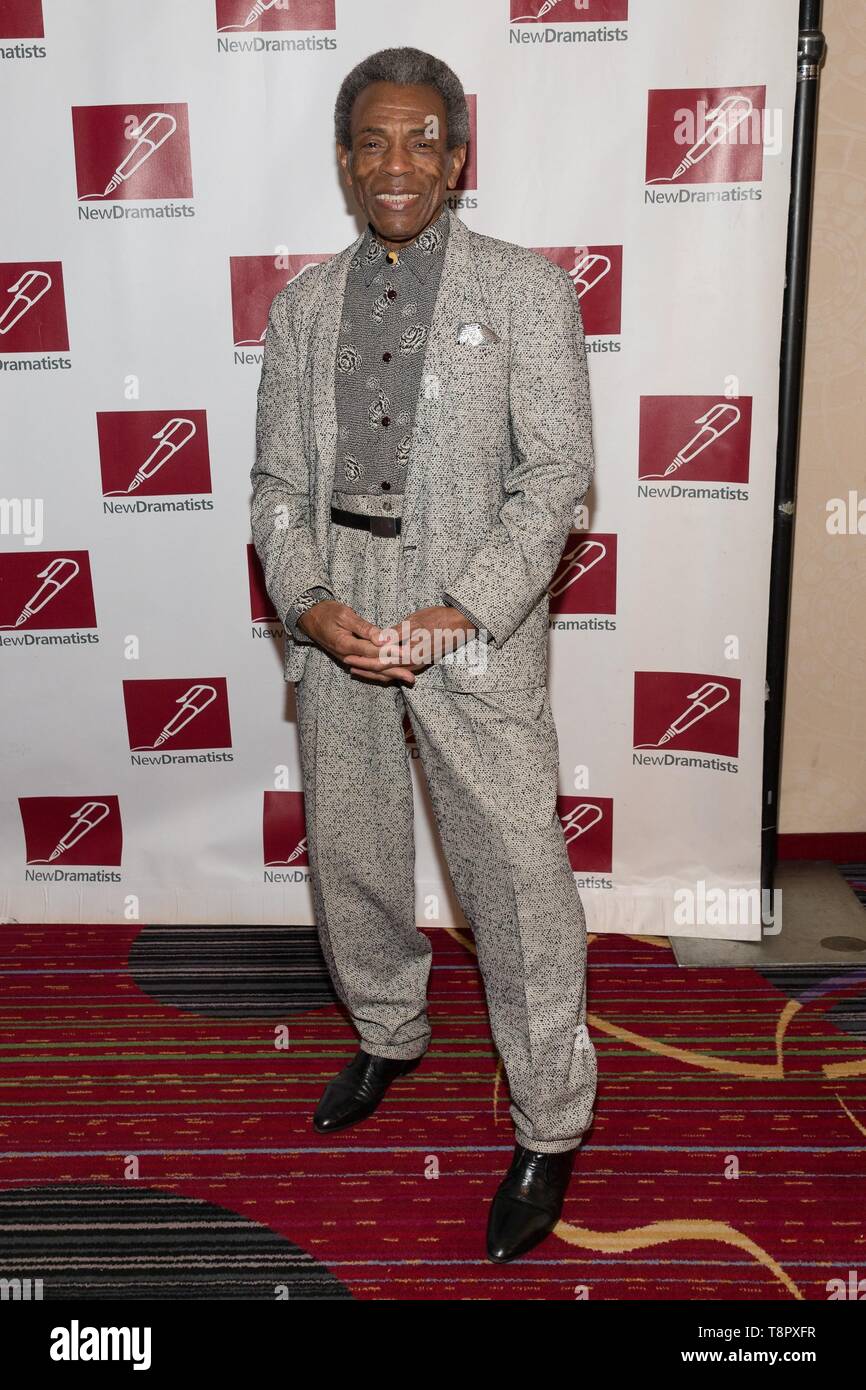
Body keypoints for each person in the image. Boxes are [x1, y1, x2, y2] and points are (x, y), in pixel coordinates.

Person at [251, 45, 597, 1264]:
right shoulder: (300, 305)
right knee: (350, 845)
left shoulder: (526, 290)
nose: (395, 164)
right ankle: (388, 1026)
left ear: (459, 156)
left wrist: (463, 608)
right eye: (370, 142)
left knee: (512, 873)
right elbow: (277, 485)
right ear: (345, 162)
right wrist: (303, 601)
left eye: (420, 141)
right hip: (341, 599)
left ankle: (550, 1118)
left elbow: (555, 476)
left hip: (467, 610)